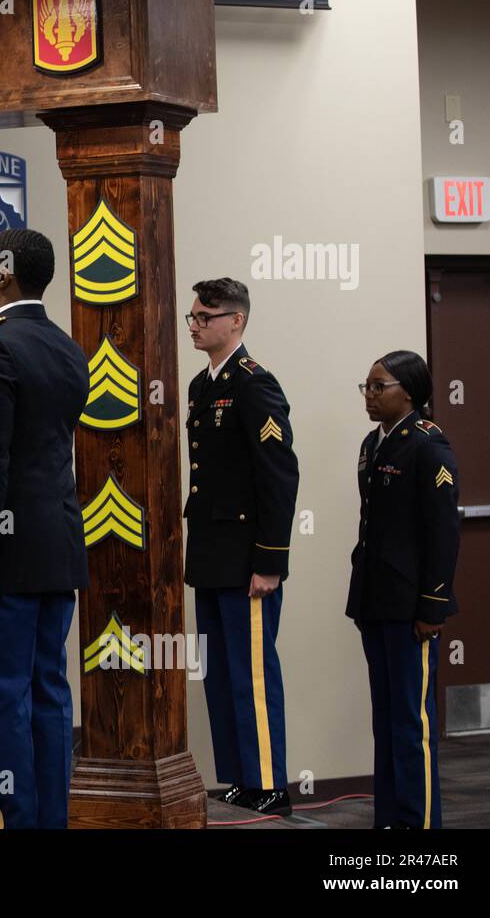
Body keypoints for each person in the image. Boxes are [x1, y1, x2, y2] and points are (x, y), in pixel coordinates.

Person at [0, 228, 89, 829]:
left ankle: (9, 821)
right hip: (54, 549)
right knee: (49, 696)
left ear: (4, 273)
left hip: (0, 560)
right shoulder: (65, 345)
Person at [183, 277, 298, 816]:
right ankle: (239, 776)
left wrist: (270, 562)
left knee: (252, 673)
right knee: (221, 672)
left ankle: (269, 780)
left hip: (248, 556)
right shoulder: (200, 384)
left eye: (207, 316)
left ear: (238, 321)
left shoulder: (255, 384)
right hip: (210, 553)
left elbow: (279, 476)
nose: (196, 324)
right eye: (194, 316)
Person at [348, 351, 459, 829]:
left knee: (413, 726)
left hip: (412, 605)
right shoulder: (373, 444)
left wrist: (433, 605)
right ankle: (389, 820)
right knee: (386, 719)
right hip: (375, 600)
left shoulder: (428, 446)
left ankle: (421, 825)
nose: (370, 395)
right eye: (367, 387)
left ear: (408, 392)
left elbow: (442, 534)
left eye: (379, 386)